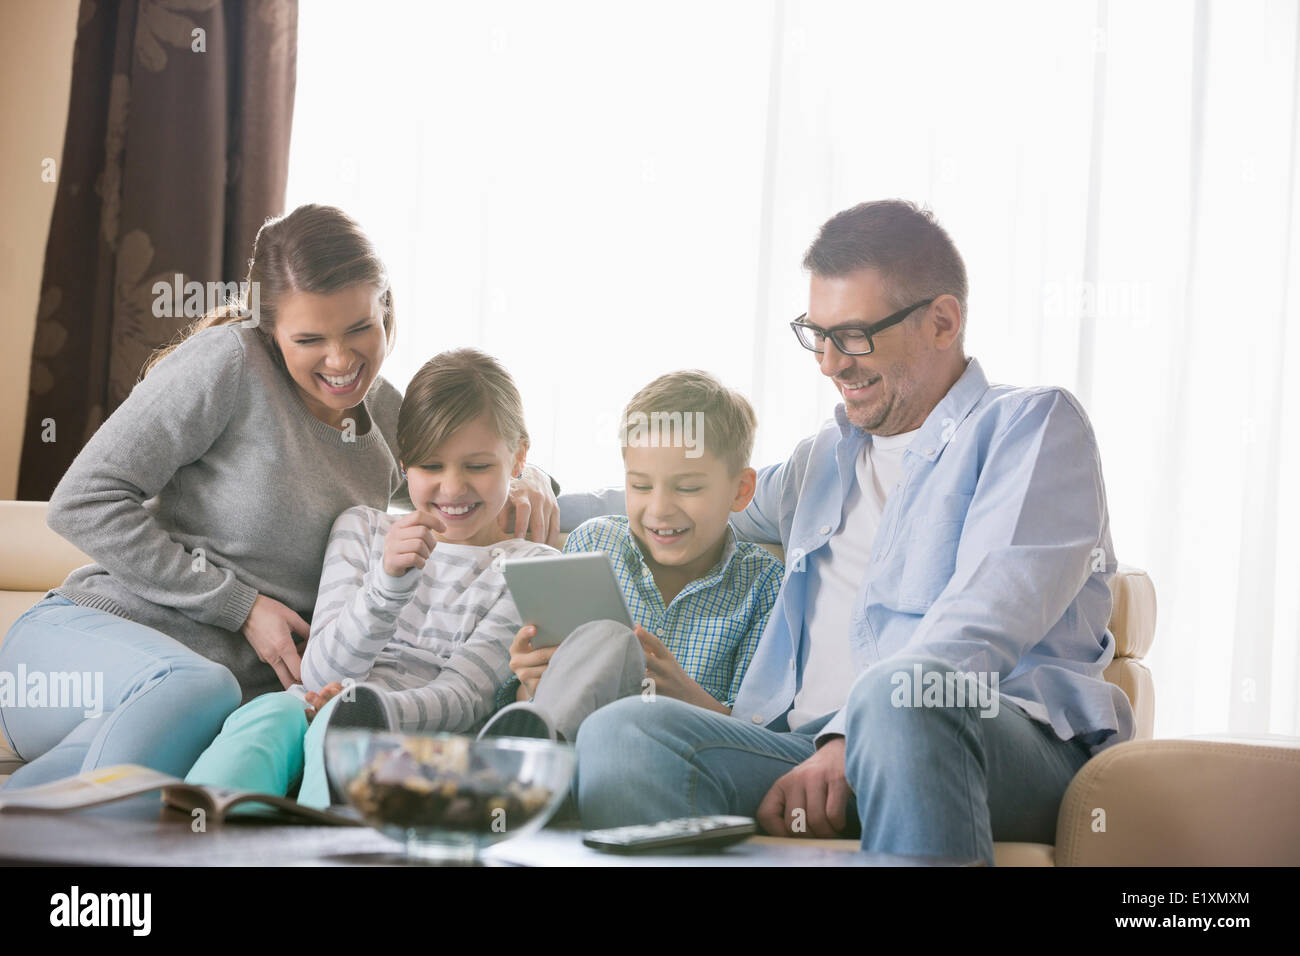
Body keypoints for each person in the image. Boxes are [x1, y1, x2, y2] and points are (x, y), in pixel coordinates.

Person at [563, 200, 1136, 866]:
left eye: (855, 335)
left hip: (993, 741)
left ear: (942, 321)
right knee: (623, 735)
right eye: (817, 333)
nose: (829, 363)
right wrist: (536, 500)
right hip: (807, 751)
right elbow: (700, 493)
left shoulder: (1031, 428)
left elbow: (985, 619)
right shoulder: (822, 460)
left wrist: (851, 734)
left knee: (903, 696)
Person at [0, 206, 559, 790]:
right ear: (269, 329)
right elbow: (82, 501)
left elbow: (464, 464)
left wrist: (535, 477)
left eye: (359, 329)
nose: (341, 360)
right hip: (83, 652)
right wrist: (238, 604)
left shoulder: (388, 415)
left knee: (129, 789)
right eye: (310, 338)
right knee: (199, 688)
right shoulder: (230, 365)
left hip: (206, 710)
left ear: (385, 308)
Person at [185, 349, 558, 808]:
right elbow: (320, 671)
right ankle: (195, 833)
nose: (454, 487)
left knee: (341, 733)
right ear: (404, 463)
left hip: (416, 733)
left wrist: (366, 709)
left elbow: (468, 697)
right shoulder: (361, 528)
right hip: (317, 698)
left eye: (478, 466)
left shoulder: (530, 568)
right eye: (432, 466)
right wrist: (387, 586)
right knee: (269, 714)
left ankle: (323, 843)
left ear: (519, 458)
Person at [480, 371, 783, 742]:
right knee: (605, 639)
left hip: (676, 759)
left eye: (687, 487)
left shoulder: (765, 584)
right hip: (571, 749)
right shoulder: (594, 542)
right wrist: (531, 682)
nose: (659, 509)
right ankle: (537, 759)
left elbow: (758, 739)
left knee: (611, 640)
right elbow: (530, 691)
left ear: (741, 489)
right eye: (640, 486)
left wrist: (687, 698)